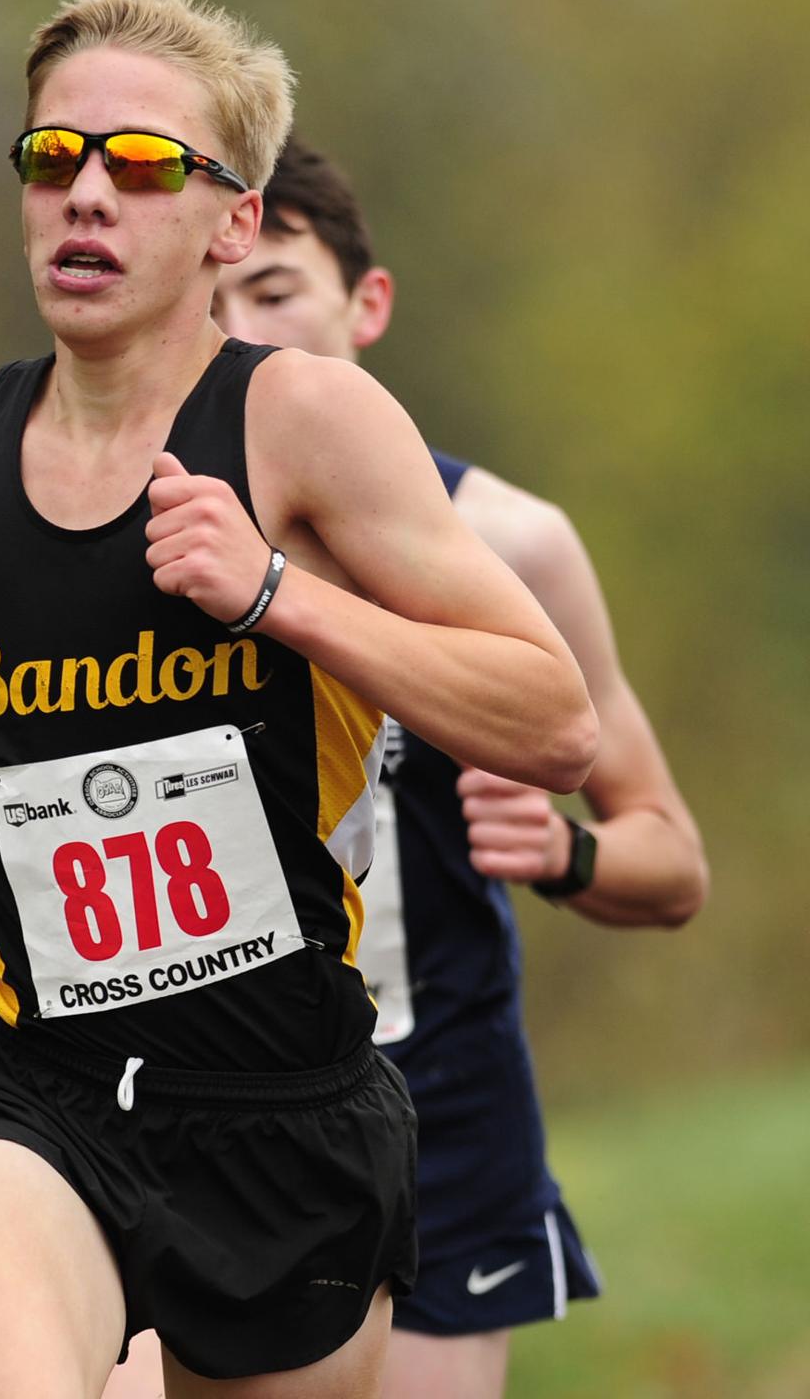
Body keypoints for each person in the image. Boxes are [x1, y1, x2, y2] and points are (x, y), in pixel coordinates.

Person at [0, 0, 598, 1399]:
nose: (87, 194)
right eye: (54, 159)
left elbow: (551, 715)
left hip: (282, 1115)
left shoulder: (306, 421)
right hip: (36, 1090)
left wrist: (276, 598)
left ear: (234, 220)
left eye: (145, 164)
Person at [194, 138, 700, 1399]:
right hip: (191, 1102)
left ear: (367, 304)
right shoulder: (133, 548)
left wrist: (567, 850)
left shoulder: (515, 543)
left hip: (441, 1107)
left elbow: (671, 859)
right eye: (209, 306)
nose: (240, 333)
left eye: (273, 291)